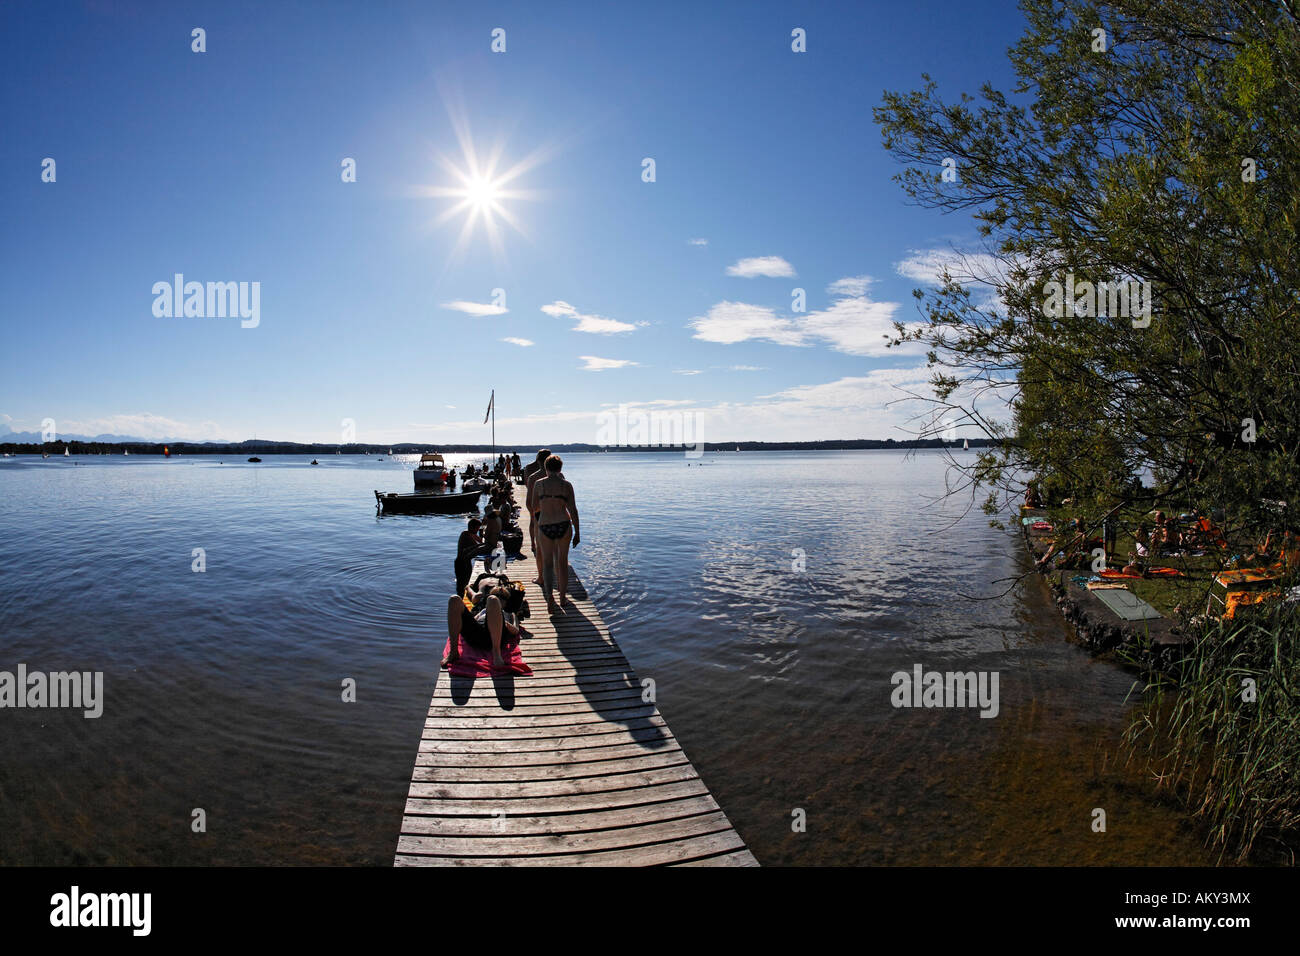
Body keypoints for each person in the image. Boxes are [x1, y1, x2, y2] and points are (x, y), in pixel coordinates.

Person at [532, 454, 580, 614]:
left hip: (545, 525)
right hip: (563, 525)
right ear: (560, 468)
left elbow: (534, 508)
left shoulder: (539, 485)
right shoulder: (566, 485)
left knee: (547, 564)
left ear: (546, 468)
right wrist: (578, 532)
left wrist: (547, 504)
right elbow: (573, 510)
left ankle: (550, 598)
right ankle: (562, 598)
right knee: (562, 562)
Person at [442, 581, 519, 669]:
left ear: (506, 602)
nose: (499, 598)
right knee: (454, 599)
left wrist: (504, 623)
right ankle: (453, 652)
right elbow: (473, 620)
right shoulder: (483, 611)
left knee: (493, 601)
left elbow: (516, 631)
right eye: (496, 595)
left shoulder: (509, 614)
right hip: (477, 634)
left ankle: (496, 654)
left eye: (502, 597)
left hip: (495, 638)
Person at [454, 518, 482, 595]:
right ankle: (460, 601)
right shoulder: (465, 535)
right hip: (461, 563)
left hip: (466, 561)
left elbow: (480, 540)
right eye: (477, 528)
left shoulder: (470, 533)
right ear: (472, 527)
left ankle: (463, 599)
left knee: (466, 582)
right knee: (461, 584)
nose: (477, 531)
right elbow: (477, 546)